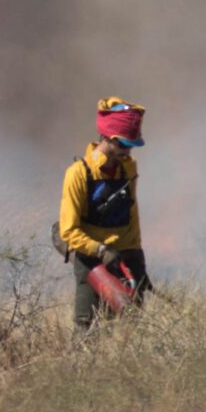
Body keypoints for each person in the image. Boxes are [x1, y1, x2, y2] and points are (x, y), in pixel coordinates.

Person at [58, 96, 153, 332]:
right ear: (108, 138)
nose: (128, 151)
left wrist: (138, 261)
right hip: (92, 259)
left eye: (131, 146)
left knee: (132, 327)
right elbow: (68, 231)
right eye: (123, 145)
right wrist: (101, 250)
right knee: (86, 329)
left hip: (125, 257)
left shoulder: (128, 167)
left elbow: (131, 216)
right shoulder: (78, 173)